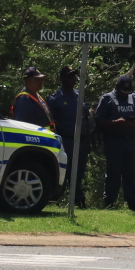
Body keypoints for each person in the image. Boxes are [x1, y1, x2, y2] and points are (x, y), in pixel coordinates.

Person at [95, 73, 135, 211]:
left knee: (131, 173)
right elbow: (99, 119)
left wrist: (134, 122)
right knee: (113, 173)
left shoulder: (134, 98)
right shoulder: (107, 99)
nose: (125, 94)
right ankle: (109, 202)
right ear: (116, 87)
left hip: (131, 141)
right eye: (123, 91)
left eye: (127, 91)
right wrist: (114, 123)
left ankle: (132, 202)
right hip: (114, 141)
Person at [46, 66, 87, 206]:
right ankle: (54, 200)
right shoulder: (55, 98)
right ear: (62, 78)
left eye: (74, 76)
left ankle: (78, 200)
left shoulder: (79, 96)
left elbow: (86, 118)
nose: (73, 79)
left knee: (78, 174)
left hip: (81, 142)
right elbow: (50, 122)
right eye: (69, 76)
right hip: (65, 141)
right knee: (63, 173)